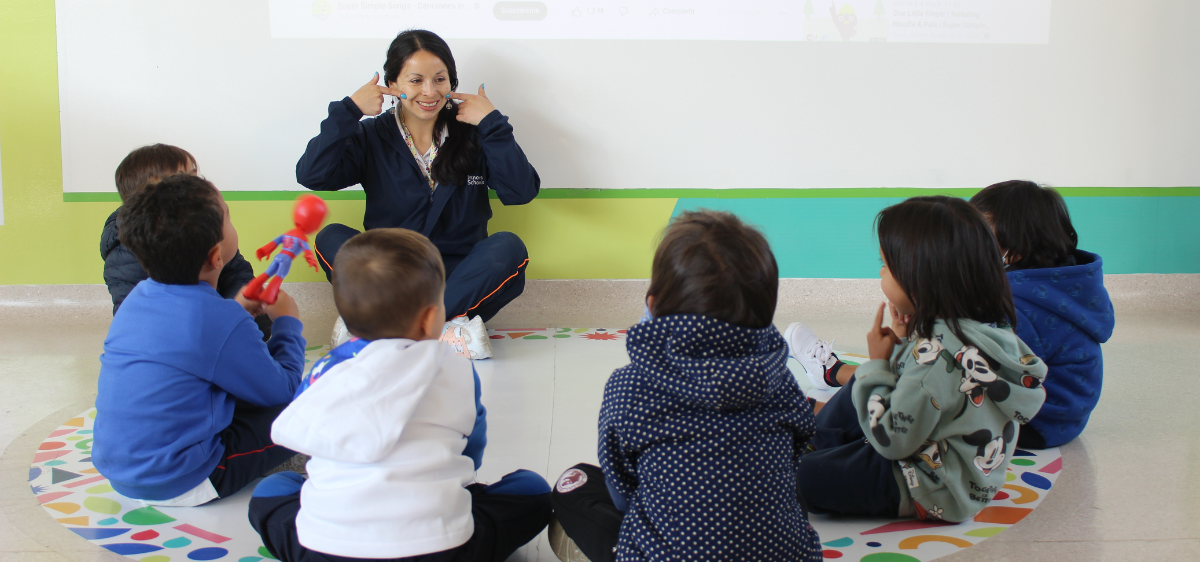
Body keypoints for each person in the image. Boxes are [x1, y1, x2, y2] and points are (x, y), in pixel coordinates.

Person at [248, 228, 552, 562]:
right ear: (431, 319)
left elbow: (309, 443)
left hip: (325, 552)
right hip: (443, 550)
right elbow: (471, 453)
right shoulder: (455, 369)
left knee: (271, 491)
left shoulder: (324, 371)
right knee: (532, 489)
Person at [551, 210, 824, 562]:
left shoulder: (629, 386)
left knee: (574, 484)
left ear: (652, 306)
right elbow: (795, 455)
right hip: (782, 553)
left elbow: (623, 493)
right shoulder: (780, 381)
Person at [787, 196, 1048, 523]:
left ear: (921, 279)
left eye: (884, 265)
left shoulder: (935, 358)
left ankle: (803, 453)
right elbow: (926, 393)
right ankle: (815, 442)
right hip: (948, 464)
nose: (880, 272)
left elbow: (892, 441)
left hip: (929, 485)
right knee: (867, 383)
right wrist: (903, 343)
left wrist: (878, 364)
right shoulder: (983, 328)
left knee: (801, 477)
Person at [296, 29, 540, 358]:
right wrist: (348, 111)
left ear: (451, 82)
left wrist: (492, 124)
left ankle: (388, 331)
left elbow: (521, 190)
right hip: (390, 276)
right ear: (393, 84)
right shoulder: (371, 136)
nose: (430, 91)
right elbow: (313, 174)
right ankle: (440, 332)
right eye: (415, 80)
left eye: (440, 79)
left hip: (458, 279)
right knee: (331, 236)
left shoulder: (473, 133)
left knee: (509, 247)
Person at [94, 175, 305, 506]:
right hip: (185, 478)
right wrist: (288, 322)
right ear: (216, 256)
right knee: (305, 407)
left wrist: (237, 314)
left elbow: (198, 340)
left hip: (118, 469)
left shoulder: (136, 300)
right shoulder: (218, 319)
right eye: (229, 218)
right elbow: (284, 388)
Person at [970, 180, 1114, 448]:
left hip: (1036, 423)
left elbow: (996, 369)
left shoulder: (1019, 302)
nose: (970, 243)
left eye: (980, 233)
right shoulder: (1066, 281)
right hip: (1066, 417)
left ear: (1016, 244)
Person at [101, 143, 271, 339]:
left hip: (217, 312)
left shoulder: (203, 224)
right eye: (183, 180)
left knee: (261, 319)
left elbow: (237, 273)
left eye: (195, 176)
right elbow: (136, 318)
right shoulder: (131, 250)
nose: (198, 186)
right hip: (176, 334)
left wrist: (241, 305)